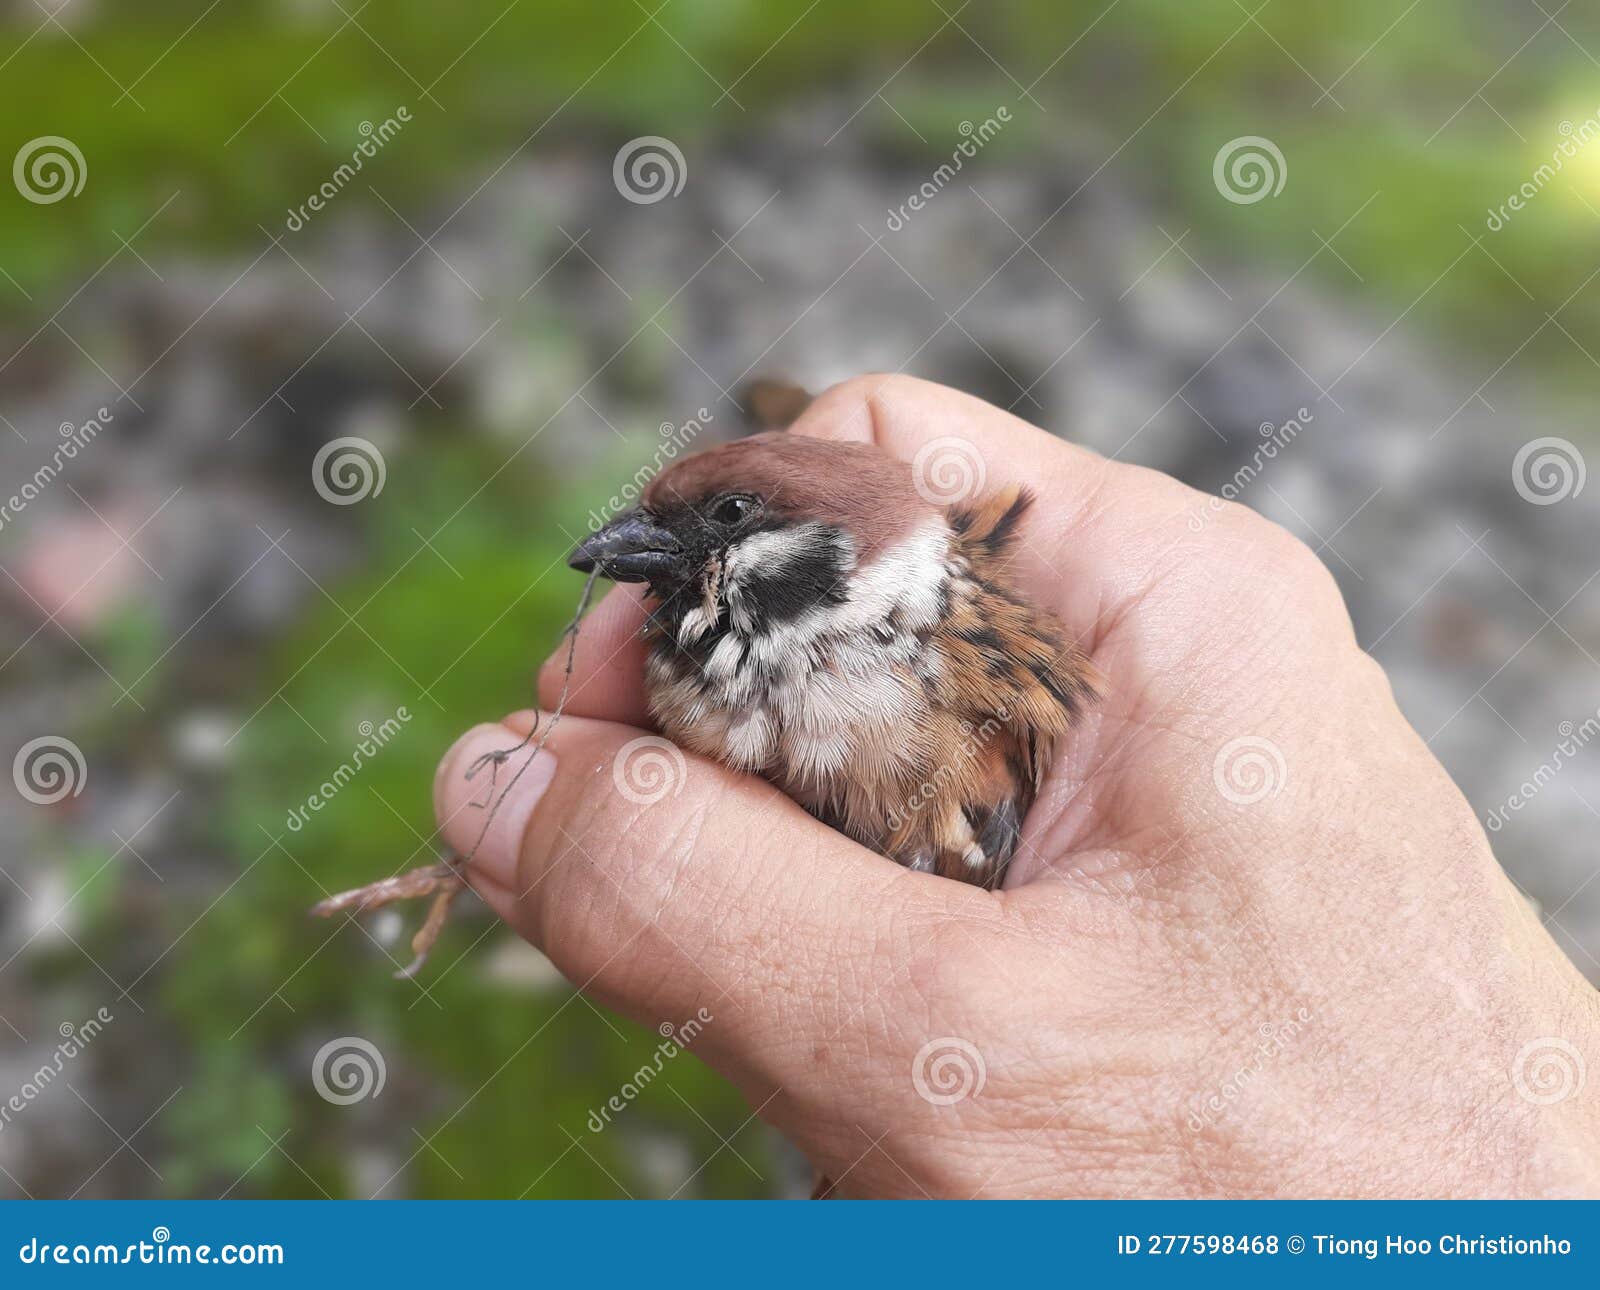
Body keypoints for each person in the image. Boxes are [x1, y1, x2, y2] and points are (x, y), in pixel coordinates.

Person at [433, 375, 1599, 1198]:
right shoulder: (693, 647)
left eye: (723, 526)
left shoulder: (954, 682)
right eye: (664, 527)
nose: (634, 553)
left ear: (846, 558)